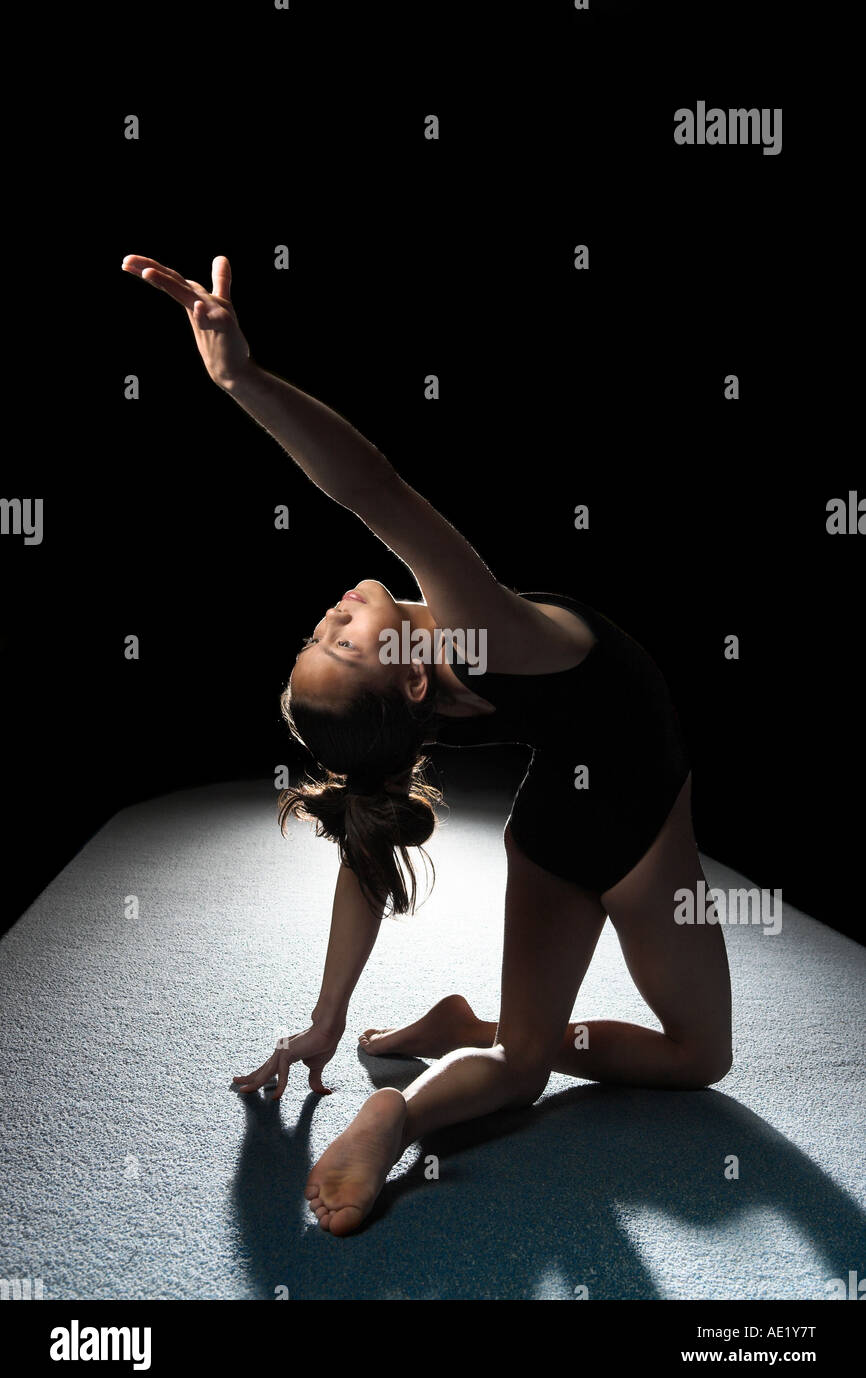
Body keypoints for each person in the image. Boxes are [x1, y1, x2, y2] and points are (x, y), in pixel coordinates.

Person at [122, 253, 733, 1236]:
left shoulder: (433, 688)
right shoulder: (477, 633)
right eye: (341, 641)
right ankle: (431, 1072)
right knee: (700, 1056)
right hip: (638, 830)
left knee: (521, 1066)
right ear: (410, 676)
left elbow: (364, 843)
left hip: (553, 826)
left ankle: (413, 1095)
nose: (332, 614)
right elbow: (374, 486)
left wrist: (328, 1023)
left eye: (319, 632)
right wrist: (243, 381)